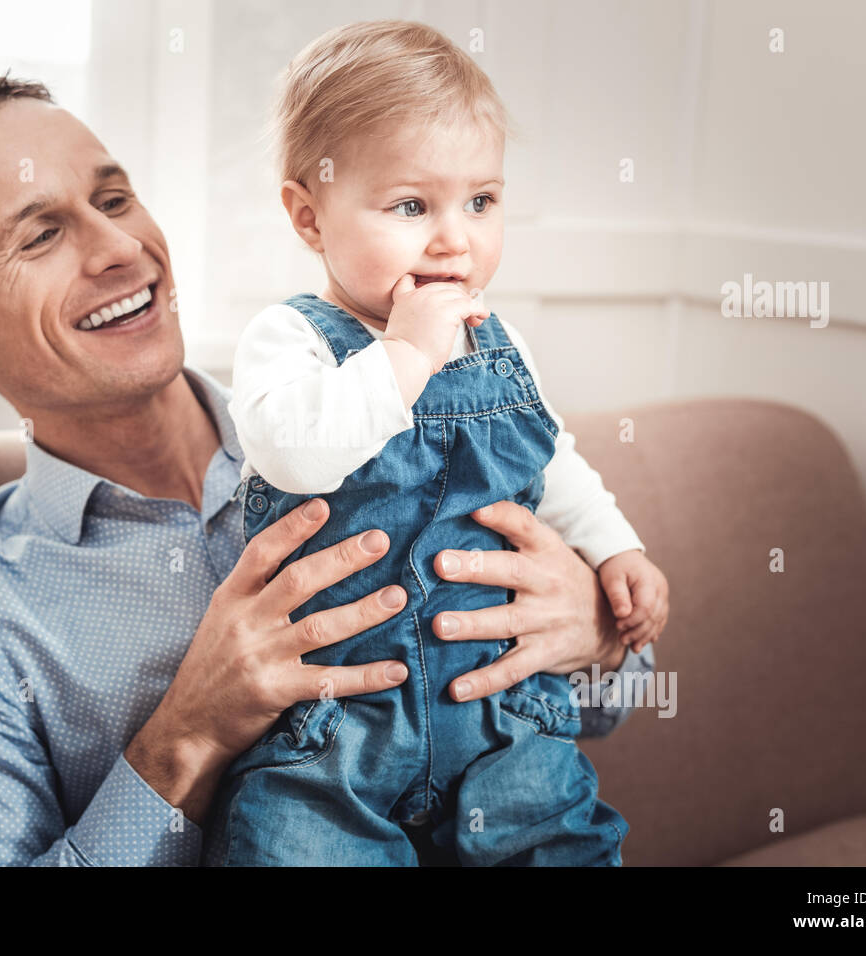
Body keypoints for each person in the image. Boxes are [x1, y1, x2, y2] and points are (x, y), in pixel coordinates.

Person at [0, 73, 659, 866]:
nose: (119, 249)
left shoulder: (381, 412)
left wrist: (598, 633)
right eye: (39, 235)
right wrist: (185, 738)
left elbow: (612, 699)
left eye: (113, 200)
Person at [204, 20, 670, 866]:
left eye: (481, 202)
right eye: (411, 206)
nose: (455, 238)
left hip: (501, 707)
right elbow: (292, 454)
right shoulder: (291, 338)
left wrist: (613, 547)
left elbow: (549, 456)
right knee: (295, 844)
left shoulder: (499, 340)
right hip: (340, 726)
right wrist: (406, 356)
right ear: (308, 217)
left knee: (560, 841)